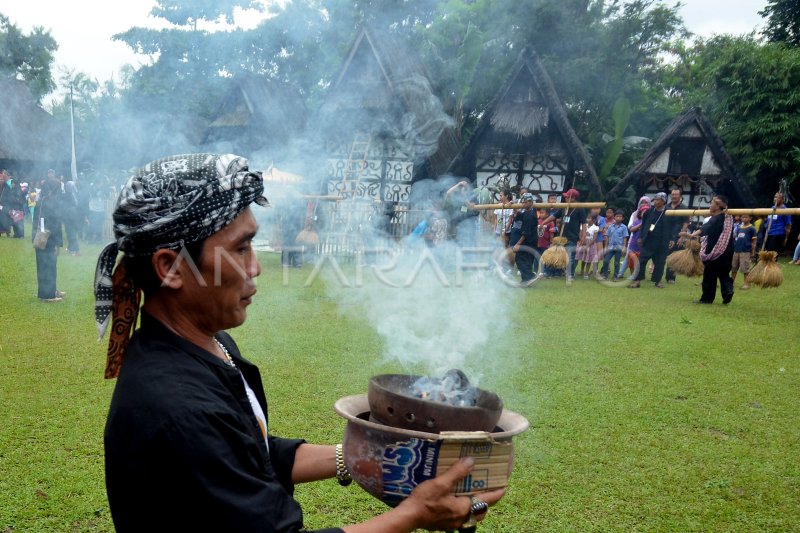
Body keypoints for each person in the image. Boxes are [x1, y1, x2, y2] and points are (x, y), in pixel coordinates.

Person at [96, 153, 502, 532]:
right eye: (240, 248)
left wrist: (362, 457)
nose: (256, 266)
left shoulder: (209, 344)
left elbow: (248, 455)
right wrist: (414, 514)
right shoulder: (177, 410)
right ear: (170, 267)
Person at [680, 194, 735, 304]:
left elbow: (706, 228)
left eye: (712, 203)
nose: (710, 205)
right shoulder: (727, 218)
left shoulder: (716, 218)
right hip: (728, 250)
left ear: (717, 205)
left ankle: (707, 299)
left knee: (710, 274)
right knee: (724, 273)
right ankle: (728, 291)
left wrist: (691, 235)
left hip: (715, 250)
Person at [33, 177, 66, 302]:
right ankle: (48, 296)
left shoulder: (42, 200)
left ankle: (51, 290)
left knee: (46, 266)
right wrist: (57, 244)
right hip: (47, 239)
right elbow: (54, 225)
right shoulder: (50, 202)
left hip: (41, 238)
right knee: (48, 266)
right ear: (53, 190)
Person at [630, 192, 670, 288]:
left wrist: (672, 239)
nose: (655, 202)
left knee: (660, 262)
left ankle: (658, 281)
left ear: (663, 201)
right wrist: (640, 237)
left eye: (657, 200)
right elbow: (644, 226)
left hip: (662, 242)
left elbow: (672, 227)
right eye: (654, 200)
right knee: (641, 260)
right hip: (648, 241)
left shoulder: (668, 213)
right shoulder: (649, 212)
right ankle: (638, 281)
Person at [510, 192, 537, 284]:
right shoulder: (527, 212)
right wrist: (513, 208)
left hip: (529, 241)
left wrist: (518, 244)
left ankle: (528, 278)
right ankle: (528, 277)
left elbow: (526, 232)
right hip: (528, 241)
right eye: (523, 203)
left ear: (530, 202)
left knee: (521, 259)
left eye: (525, 202)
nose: (523, 204)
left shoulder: (531, 215)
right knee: (525, 260)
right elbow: (520, 216)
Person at [665, 186, 689, 284]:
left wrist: (682, 237)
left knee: (673, 257)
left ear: (680, 196)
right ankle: (656, 275)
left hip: (676, 235)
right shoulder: (666, 207)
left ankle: (670, 278)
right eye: (672, 194)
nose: (674, 196)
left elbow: (686, 223)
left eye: (676, 194)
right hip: (665, 234)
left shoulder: (684, 208)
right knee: (660, 256)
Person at [625, 196, 651, 278]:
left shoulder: (651, 221)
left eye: (646, 211)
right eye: (643, 211)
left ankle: (638, 276)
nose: (644, 213)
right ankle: (632, 275)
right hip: (634, 243)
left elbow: (651, 230)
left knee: (641, 261)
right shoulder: (636, 220)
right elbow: (631, 229)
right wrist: (642, 224)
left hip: (645, 243)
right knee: (631, 260)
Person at [730, 214, 756, 290]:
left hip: (745, 251)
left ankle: (746, 283)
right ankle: (732, 282)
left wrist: (753, 252)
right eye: (742, 217)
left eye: (746, 217)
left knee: (745, 268)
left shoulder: (752, 228)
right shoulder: (739, 228)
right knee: (734, 267)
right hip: (736, 250)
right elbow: (737, 238)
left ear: (750, 218)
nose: (743, 219)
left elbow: (754, 241)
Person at [601, 210, 629, 280]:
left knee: (617, 263)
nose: (618, 218)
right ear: (614, 217)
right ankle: (605, 275)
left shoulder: (624, 227)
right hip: (611, 247)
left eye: (620, 217)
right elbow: (607, 236)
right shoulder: (611, 226)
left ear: (622, 218)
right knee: (606, 260)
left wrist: (624, 248)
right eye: (617, 216)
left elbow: (625, 237)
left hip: (619, 248)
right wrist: (606, 246)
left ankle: (615, 276)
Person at [764, 191, 792, 256]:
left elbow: (788, 225)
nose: (775, 199)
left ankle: (772, 266)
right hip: (769, 233)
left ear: (782, 200)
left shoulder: (785, 210)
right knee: (767, 253)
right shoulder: (772, 208)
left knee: (772, 255)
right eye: (775, 197)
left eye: (778, 197)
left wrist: (786, 238)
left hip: (777, 234)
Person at [576, 213, 599, 279]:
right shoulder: (583, 225)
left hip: (591, 245)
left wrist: (588, 245)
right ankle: (581, 271)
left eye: (589, 218)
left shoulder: (596, 228)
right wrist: (581, 240)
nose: (587, 219)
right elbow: (580, 234)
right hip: (582, 242)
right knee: (580, 257)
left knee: (588, 260)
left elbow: (594, 238)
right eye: (587, 218)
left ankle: (586, 273)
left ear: (594, 220)